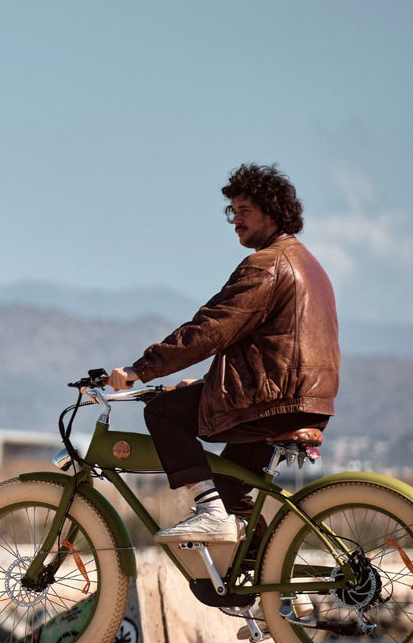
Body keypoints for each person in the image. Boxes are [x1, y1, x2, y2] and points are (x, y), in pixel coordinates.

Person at [107, 162, 339, 545]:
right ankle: (268, 585)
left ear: (272, 211)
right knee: (232, 493)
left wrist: (139, 369)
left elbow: (210, 329)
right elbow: (274, 348)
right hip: (305, 398)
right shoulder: (308, 263)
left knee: (162, 412)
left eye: (244, 211)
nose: (235, 220)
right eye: (232, 211)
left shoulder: (267, 264)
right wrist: (207, 383)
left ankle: (208, 511)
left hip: (273, 401)